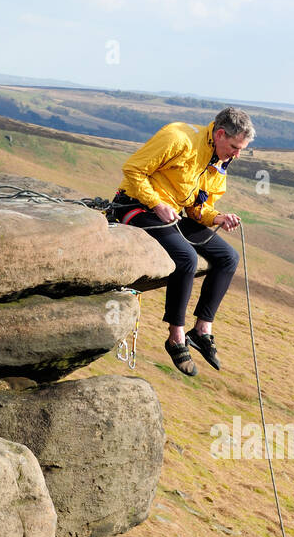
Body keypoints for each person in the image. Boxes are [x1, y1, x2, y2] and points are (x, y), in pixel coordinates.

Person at [108, 106, 255, 377]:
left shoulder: (218, 161)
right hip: (136, 206)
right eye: (235, 146)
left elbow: (198, 209)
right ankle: (175, 337)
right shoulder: (179, 138)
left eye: (241, 149)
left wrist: (218, 217)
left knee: (228, 258)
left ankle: (201, 330)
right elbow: (133, 169)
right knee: (186, 258)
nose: (237, 154)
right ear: (220, 134)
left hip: (173, 213)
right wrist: (156, 203)